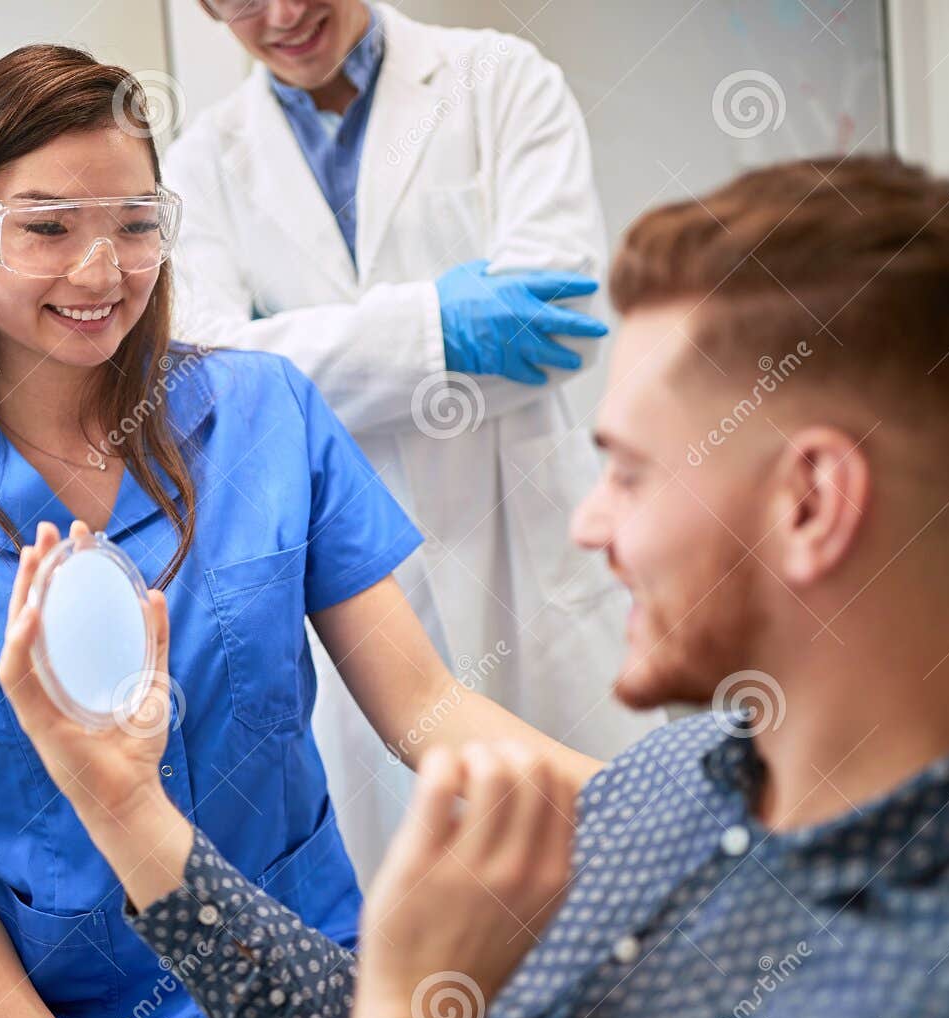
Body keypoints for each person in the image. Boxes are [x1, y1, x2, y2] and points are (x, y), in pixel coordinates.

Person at [0, 154, 949, 1018]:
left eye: (627, 470)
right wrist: (127, 809)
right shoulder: (691, 775)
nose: (588, 524)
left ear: (810, 502)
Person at [0, 45, 601, 1018]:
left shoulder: (266, 414)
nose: (101, 272)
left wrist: (667, 801)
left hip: (295, 983)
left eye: (135, 225)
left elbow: (427, 711)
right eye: (46, 228)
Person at [166, 0, 661, 877]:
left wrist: (297, 343)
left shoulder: (501, 81)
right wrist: (435, 325)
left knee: (628, 900)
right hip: (364, 613)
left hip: (533, 571)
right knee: (441, 959)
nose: (282, 15)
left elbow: (560, 318)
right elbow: (210, 383)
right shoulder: (200, 168)